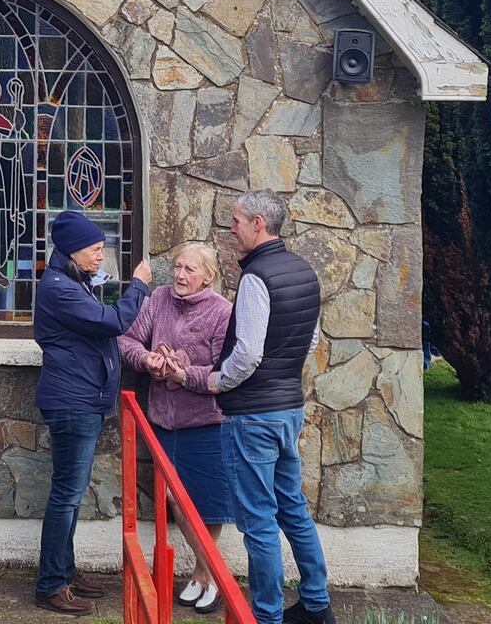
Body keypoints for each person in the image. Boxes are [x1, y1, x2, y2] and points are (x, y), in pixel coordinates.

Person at [191, 189, 333, 624]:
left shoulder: (257, 277)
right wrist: (281, 373)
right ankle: (316, 605)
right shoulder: (304, 271)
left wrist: (217, 380)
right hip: (289, 408)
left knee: (258, 522)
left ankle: (266, 617)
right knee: (292, 508)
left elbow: (249, 352)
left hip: (253, 416)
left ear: (258, 224)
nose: (230, 228)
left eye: (236, 221)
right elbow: (308, 340)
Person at [32, 209, 152, 616]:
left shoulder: (73, 282)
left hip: (83, 400)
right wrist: (139, 286)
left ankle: (64, 572)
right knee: (66, 496)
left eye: (103, 249)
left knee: (70, 494)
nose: (102, 256)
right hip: (73, 403)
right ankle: (51, 584)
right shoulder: (59, 289)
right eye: (95, 250)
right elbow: (115, 321)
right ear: (72, 250)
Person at [118, 241, 233, 613]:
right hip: (163, 419)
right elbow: (127, 339)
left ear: (208, 277)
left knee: (206, 504)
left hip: (205, 420)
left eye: (190, 270)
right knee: (170, 497)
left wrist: (184, 374)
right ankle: (212, 573)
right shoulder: (159, 299)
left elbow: (224, 371)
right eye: (178, 267)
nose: (181, 276)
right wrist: (147, 358)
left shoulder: (222, 312)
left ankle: (205, 576)